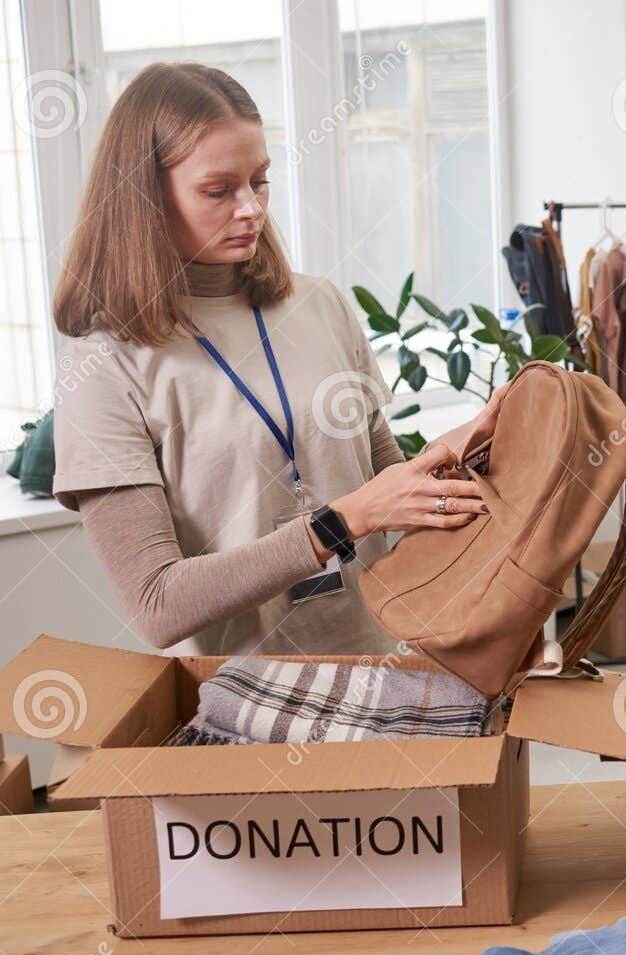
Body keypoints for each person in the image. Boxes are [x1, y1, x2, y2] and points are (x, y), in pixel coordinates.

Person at [50, 63, 503, 657]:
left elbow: (383, 489)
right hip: (243, 710)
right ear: (144, 197)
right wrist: (339, 524)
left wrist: (453, 457)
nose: (251, 209)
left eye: (259, 181)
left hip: (387, 671)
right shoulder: (103, 366)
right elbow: (158, 605)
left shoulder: (319, 305)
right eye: (219, 190)